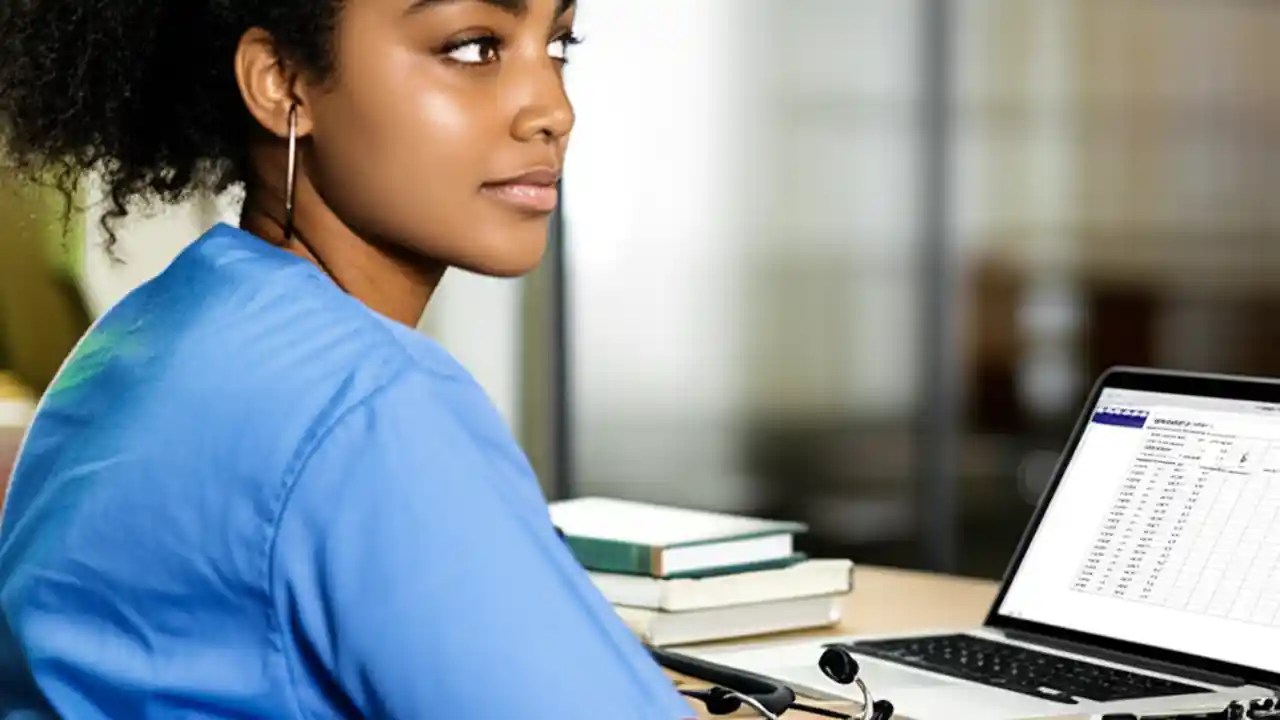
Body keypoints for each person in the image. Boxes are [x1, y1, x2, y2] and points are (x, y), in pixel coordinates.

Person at [0, 0, 693, 717]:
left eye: (558, 44)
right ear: (283, 83)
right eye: (473, 46)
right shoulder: (373, 407)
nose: (552, 109)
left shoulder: (142, 335)